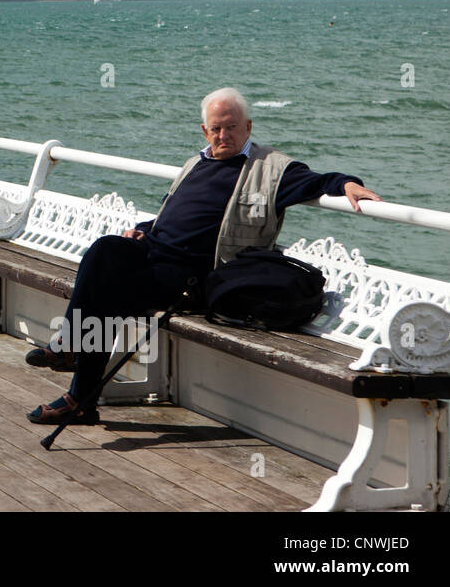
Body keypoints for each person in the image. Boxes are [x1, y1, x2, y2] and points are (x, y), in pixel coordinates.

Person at [24, 86, 381, 425]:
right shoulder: (195, 164)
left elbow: (318, 181)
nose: (223, 135)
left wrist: (347, 183)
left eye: (231, 128)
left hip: (194, 278)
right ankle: (78, 384)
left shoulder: (270, 169)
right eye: (216, 129)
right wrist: (144, 230)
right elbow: (175, 216)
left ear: (248, 127)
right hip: (155, 256)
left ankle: (76, 378)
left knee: (106, 287)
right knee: (107, 249)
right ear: (204, 130)